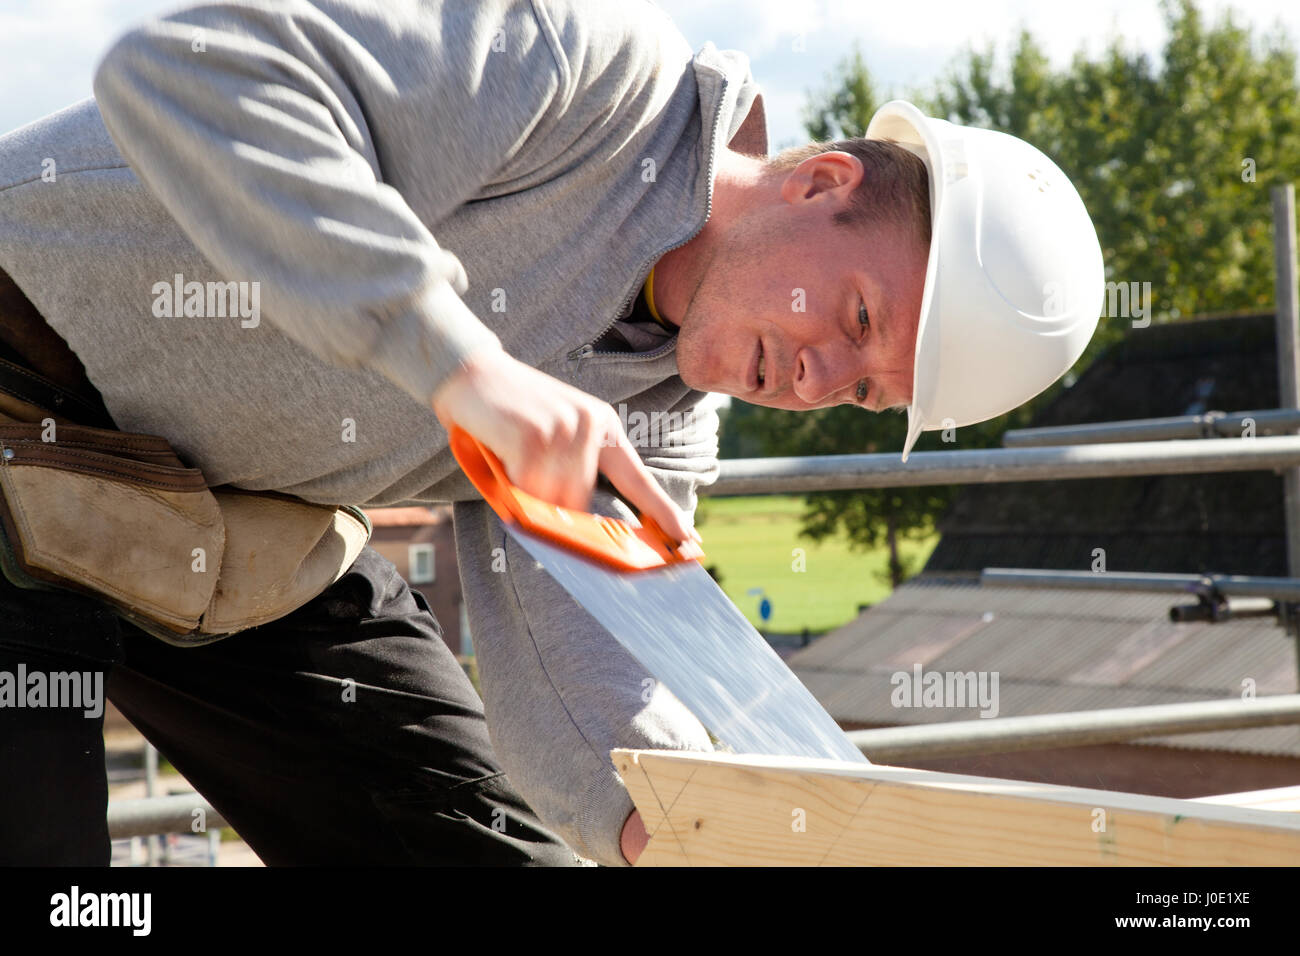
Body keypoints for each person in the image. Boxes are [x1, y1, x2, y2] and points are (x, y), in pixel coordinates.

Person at [0, 0, 1101, 867]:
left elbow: (584, 691)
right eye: (860, 317)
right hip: (19, 394)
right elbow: (179, 73)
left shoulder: (658, 424)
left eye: (865, 390)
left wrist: (692, 832)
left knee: (477, 849)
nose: (821, 374)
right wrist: (468, 368)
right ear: (820, 182)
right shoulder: (579, 68)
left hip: (217, 531)